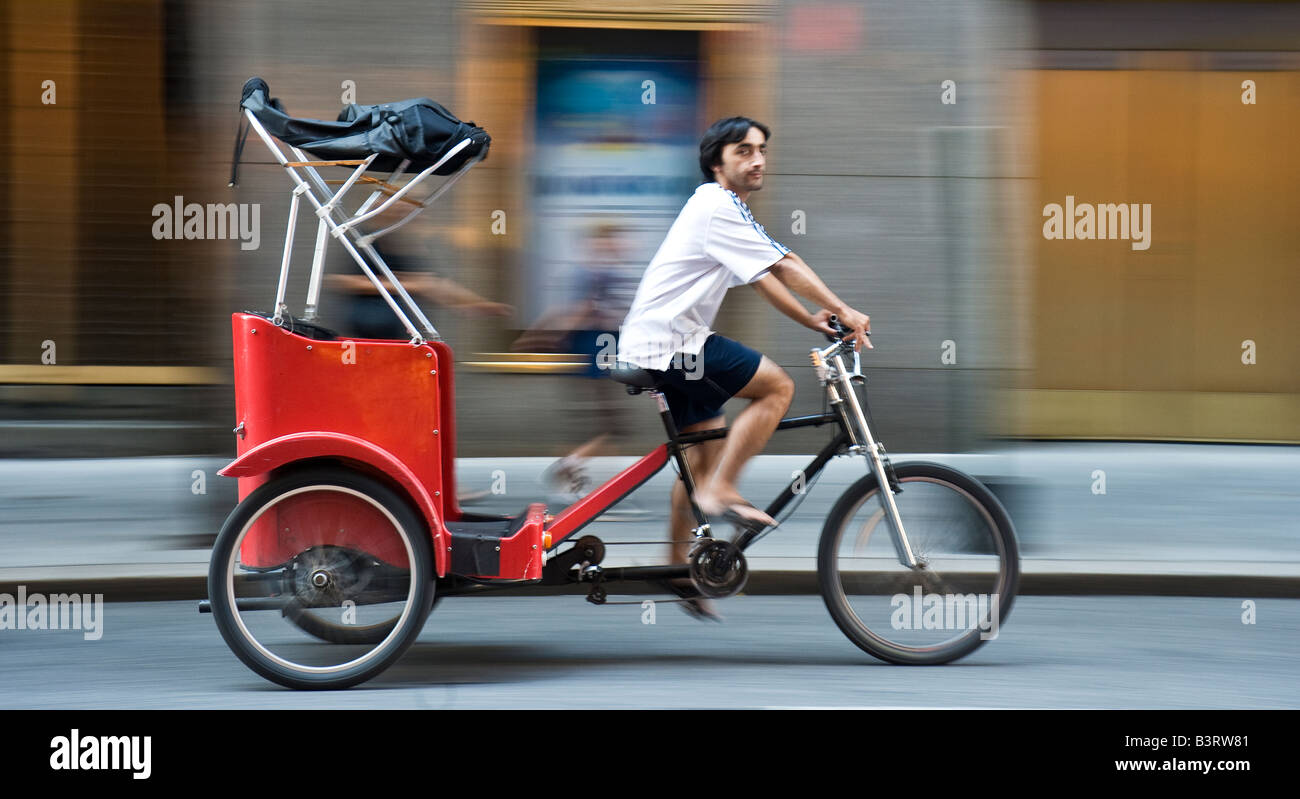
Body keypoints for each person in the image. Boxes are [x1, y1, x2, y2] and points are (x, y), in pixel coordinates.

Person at [616, 116, 872, 619]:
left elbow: (764, 278)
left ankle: (677, 571)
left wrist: (812, 319)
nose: (757, 160)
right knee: (777, 387)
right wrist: (844, 309)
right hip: (672, 346)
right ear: (718, 163)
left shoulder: (724, 210)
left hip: (664, 345)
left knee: (699, 457)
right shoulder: (716, 204)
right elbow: (785, 264)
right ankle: (722, 491)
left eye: (762, 150)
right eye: (743, 151)